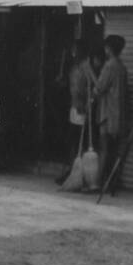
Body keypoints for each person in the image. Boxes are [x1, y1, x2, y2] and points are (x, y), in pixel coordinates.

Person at [91, 35, 129, 196]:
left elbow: (99, 88)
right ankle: (112, 182)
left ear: (110, 49)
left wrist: (91, 73)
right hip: (119, 114)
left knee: (104, 149)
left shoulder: (109, 66)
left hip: (107, 113)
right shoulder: (122, 67)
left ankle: (97, 183)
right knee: (114, 150)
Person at [56, 41, 95, 186]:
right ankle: (71, 171)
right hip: (73, 107)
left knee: (79, 143)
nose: (73, 53)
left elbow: (93, 86)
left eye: (75, 50)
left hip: (82, 109)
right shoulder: (74, 67)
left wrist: (86, 103)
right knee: (72, 142)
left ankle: (80, 174)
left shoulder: (86, 67)